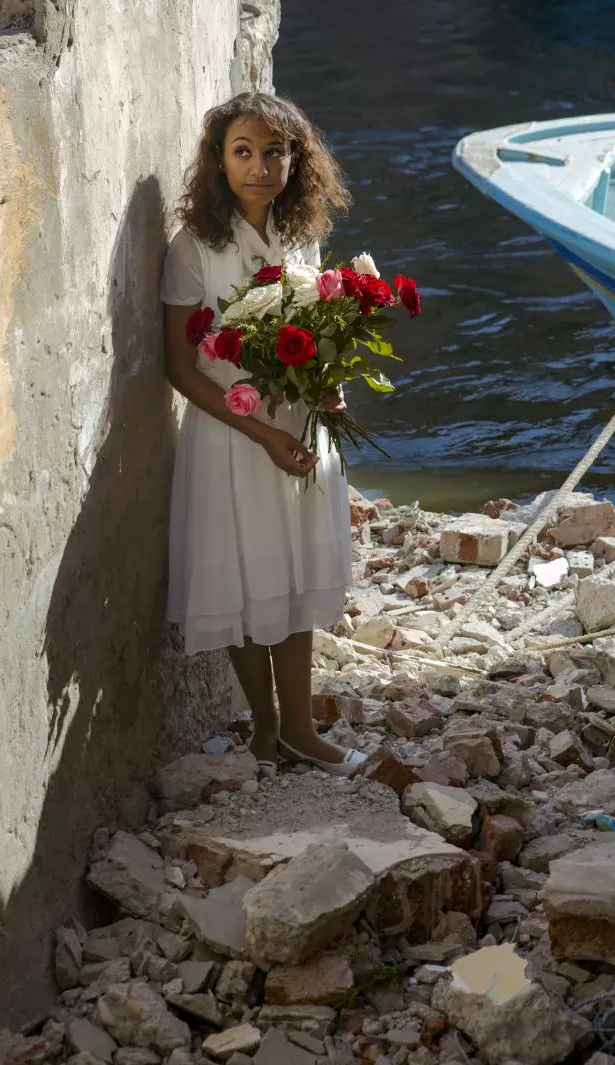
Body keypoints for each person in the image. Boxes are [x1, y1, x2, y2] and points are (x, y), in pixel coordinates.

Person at [161, 92, 366, 777]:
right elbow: (181, 368)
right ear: (218, 161)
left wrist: (329, 385)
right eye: (243, 151)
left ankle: (303, 729)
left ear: (295, 160)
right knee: (245, 576)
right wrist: (259, 433)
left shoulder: (301, 235)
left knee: (296, 569)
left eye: (274, 152)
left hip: (297, 426)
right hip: (231, 432)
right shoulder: (194, 249)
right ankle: (267, 729)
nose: (259, 167)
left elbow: (316, 333)